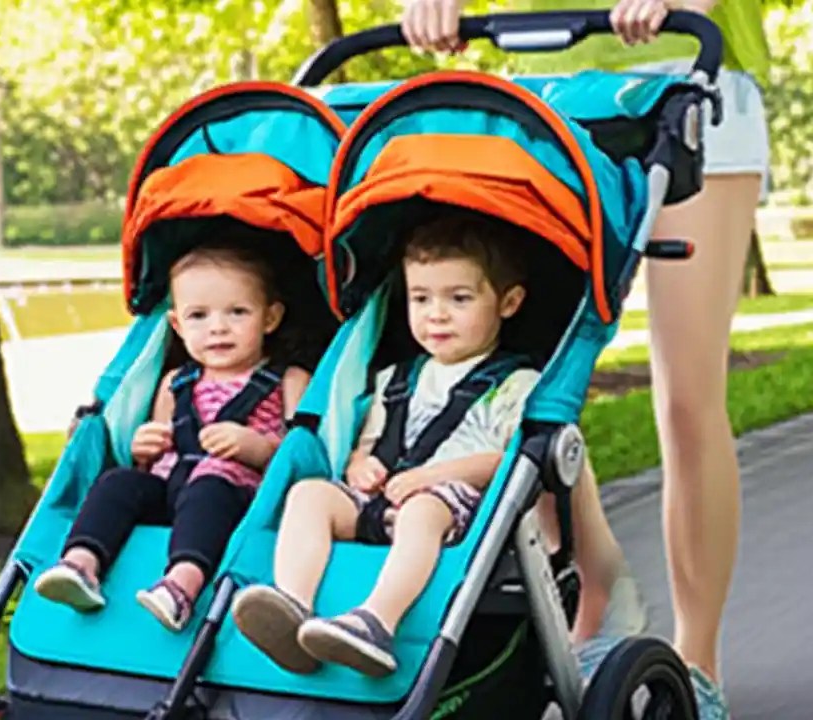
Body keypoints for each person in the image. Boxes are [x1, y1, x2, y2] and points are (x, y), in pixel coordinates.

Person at [401, 1, 769, 717]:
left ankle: (699, 662)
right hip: (546, 93)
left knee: (687, 396)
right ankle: (596, 594)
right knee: (532, 383)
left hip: (686, 76)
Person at [231, 211, 543, 677]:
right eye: (421, 298)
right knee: (309, 494)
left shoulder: (517, 383)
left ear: (509, 302)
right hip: (382, 495)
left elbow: (511, 458)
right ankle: (292, 604)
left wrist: (429, 477)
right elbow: (372, 441)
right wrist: (360, 464)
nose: (436, 313)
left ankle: (376, 621)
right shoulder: (395, 378)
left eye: (458, 298)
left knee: (422, 509)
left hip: (452, 502)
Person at [33, 239, 311, 632]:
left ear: (270, 318)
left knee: (209, 486)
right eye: (199, 315)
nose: (217, 327)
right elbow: (158, 450)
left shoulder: (288, 380)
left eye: (237, 312)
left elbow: (306, 454)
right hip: (171, 487)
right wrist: (143, 447)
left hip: (236, 495)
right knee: (118, 482)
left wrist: (261, 448)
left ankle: (182, 586)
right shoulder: (174, 383)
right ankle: (81, 564)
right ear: (177, 325)